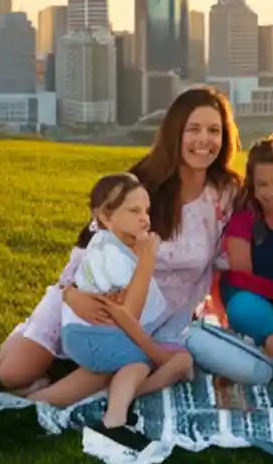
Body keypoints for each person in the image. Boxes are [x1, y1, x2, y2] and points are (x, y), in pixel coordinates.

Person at [65, 86, 241, 351]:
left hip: (170, 316)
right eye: (193, 129)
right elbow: (93, 239)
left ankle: (48, 392)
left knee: (134, 365)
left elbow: (230, 256)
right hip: (107, 301)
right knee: (13, 368)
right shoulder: (144, 183)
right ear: (175, 133)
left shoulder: (226, 193)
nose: (204, 139)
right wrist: (70, 291)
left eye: (214, 131)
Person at [29, 173, 193, 450]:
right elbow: (130, 313)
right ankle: (113, 420)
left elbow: (127, 307)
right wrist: (148, 258)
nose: (145, 219)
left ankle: (76, 399)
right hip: (92, 335)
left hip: (98, 333)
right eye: (134, 211)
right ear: (106, 217)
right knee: (152, 364)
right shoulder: (110, 252)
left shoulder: (118, 246)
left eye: (146, 211)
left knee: (173, 362)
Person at [0, 176, 131, 400]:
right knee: (11, 374)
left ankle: (43, 396)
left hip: (105, 322)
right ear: (97, 213)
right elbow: (67, 284)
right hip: (65, 307)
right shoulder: (92, 242)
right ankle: (27, 330)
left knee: (110, 357)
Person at [221, 134, 273, 360]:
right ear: (252, 183)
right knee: (242, 306)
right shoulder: (243, 219)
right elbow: (242, 278)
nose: (270, 193)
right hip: (257, 299)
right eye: (262, 184)